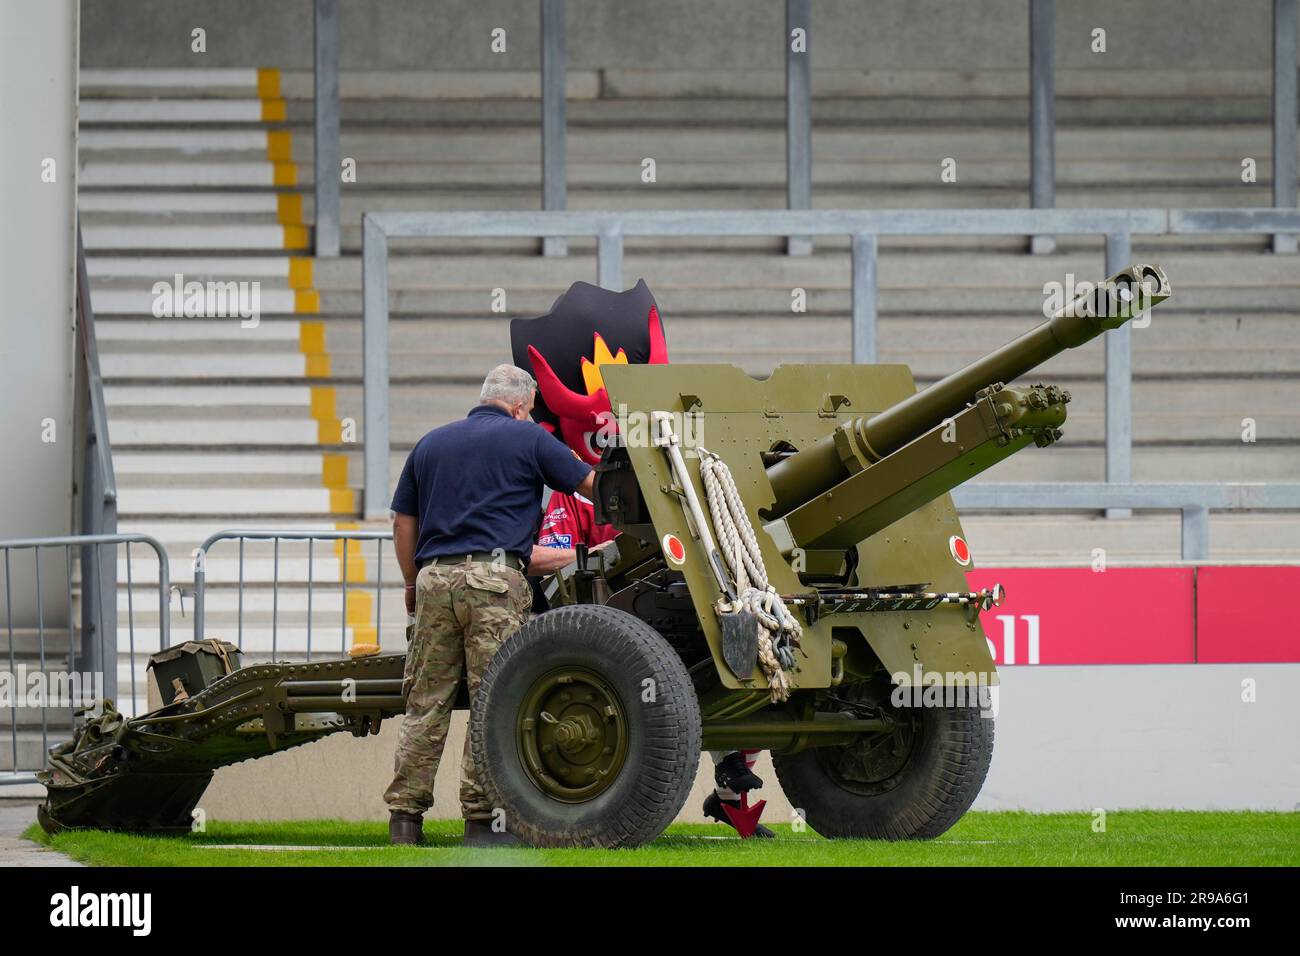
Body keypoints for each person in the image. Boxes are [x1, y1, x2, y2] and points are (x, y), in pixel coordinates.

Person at [384, 364, 594, 847]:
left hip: (435, 578)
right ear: (521, 406)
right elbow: (591, 487)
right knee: (492, 703)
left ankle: (404, 821)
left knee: (426, 703)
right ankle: (481, 822)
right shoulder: (531, 439)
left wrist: (413, 584)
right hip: (496, 583)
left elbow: (402, 524)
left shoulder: (431, 444)